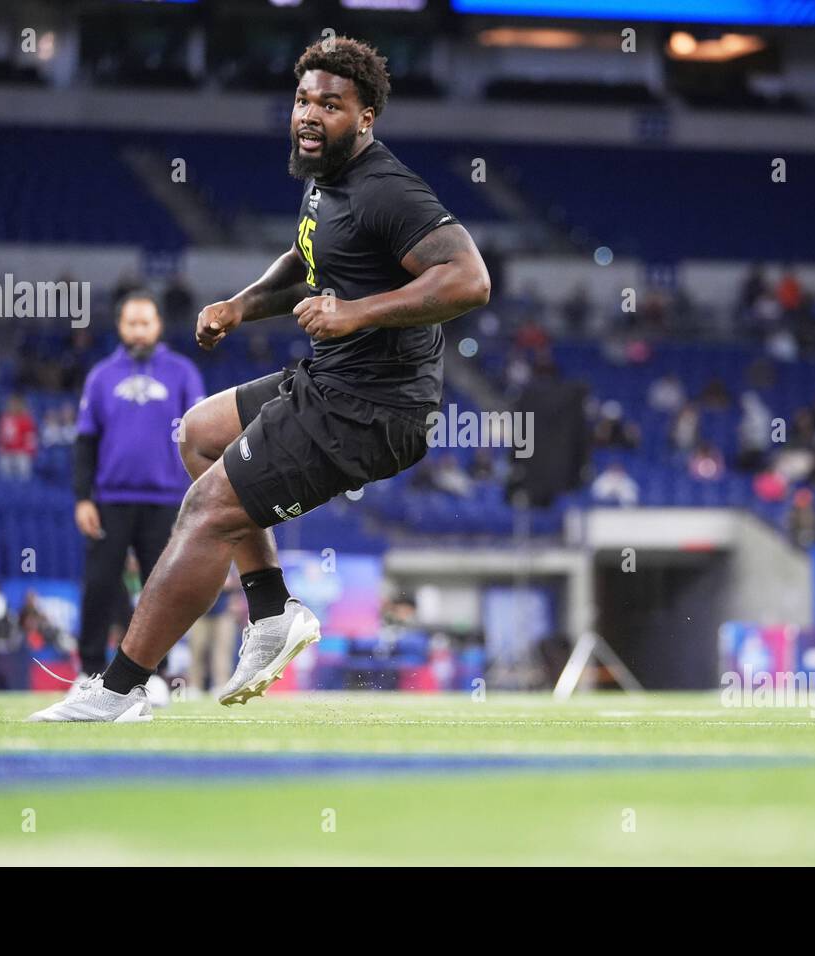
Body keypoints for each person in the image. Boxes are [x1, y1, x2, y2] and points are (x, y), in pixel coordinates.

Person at [31, 37, 489, 721]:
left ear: (366, 118)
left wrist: (356, 310)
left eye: (330, 104)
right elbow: (308, 259)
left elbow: (469, 279)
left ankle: (120, 688)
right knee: (197, 435)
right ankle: (272, 611)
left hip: (372, 405)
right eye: (303, 99)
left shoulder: (386, 188)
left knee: (207, 510)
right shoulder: (327, 180)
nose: (309, 114)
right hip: (331, 379)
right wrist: (240, 306)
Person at [72, 291, 206, 678]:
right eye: (132, 323)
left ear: (159, 325)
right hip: (110, 501)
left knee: (162, 590)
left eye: (146, 323)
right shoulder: (100, 376)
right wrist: (82, 498)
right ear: (120, 327)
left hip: (167, 501)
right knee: (98, 586)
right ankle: (90, 672)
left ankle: (157, 675)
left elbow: (200, 435)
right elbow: (85, 442)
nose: (139, 331)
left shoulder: (183, 373)